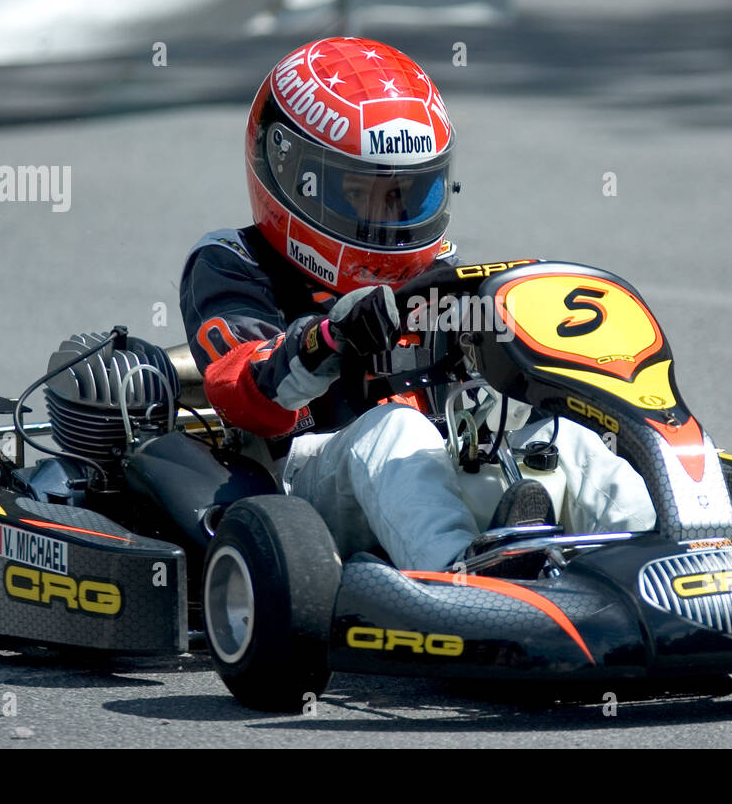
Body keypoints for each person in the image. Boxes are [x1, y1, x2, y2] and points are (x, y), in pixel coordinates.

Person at [179, 37, 654, 572]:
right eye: (360, 194)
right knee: (392, 430)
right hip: (306, 485)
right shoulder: (235, 263)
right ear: (293, 178)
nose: (390, 215)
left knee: (564, 439)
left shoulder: (437, 273)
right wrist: (327, 339)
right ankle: (462, 578)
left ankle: (659, 556)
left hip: (439, 456)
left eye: (407, 193)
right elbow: (240, 392)